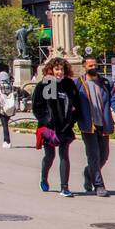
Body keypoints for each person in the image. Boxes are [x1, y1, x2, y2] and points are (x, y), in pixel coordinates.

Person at [76, 57, 115, 197]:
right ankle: (99, 185)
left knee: (104, 156)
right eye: (90, 65)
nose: (93, 67)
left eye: (95, 65)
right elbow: (73, 103)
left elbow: (114, 100)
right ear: (84, 67)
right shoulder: (79, 83)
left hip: (103, 124)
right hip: (88, 125)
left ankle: (88, 173)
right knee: (93, 155)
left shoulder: (105, 82)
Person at [32, 57, 81, 196]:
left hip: (65, 128)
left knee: (64, 155)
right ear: (51, 70)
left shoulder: (69, 84)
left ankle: (64, 187)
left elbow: (77, 106)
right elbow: (39, 107)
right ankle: (44, 178)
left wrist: (72, 120)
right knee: (50, 156)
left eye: (62, 69)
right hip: (50, 129)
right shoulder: (48, 83)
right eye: (57, 69)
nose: (59, 72)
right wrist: (48, 121)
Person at [0, 71, 21, 148]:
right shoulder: (12, 87)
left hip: (1, 108)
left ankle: (7, 141)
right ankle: (6, 140)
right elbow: (15, 96)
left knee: (5, 125)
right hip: (9, 108)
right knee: (6, 124)